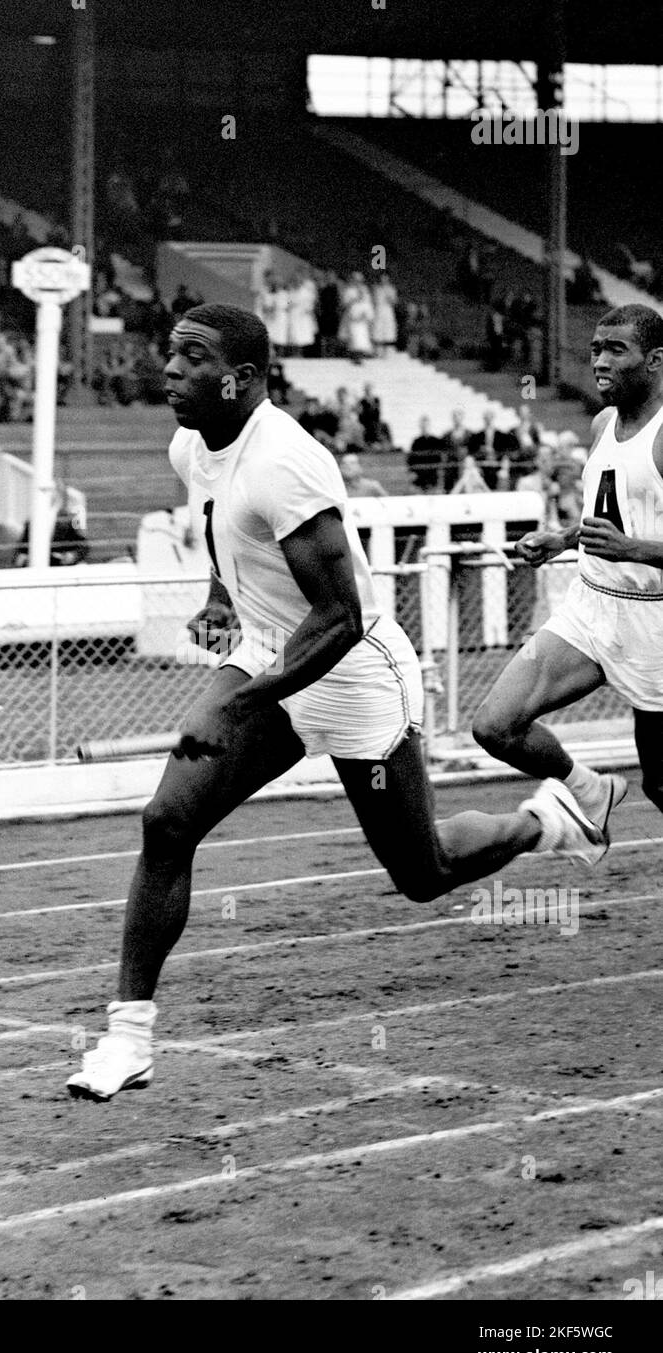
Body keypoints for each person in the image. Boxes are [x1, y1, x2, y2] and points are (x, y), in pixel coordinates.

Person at [66, 302, 605, 1102]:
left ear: (241, 378)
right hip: (268, 655)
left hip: (355, 675)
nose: (170, 370)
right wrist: (221, 599)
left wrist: (240, 704)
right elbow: (225, 527)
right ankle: (128, 1038)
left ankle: (548, 822)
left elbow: (342, 618)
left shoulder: (287, 460)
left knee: (424, 873)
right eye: (170, 354)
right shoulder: (192, 444)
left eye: (191, 357)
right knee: (166, 821)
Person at [473, 304, 663, 842]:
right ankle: (590, 791)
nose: (599, 361)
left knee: (661, 786)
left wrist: (634, 549)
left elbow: (629, 536)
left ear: (655, 360)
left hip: (655, 623)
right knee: (494, 726)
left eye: (616, 350)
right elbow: (615, 511)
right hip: (592, 606)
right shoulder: (604, 422)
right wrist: (562, 538)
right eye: (597, 348)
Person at [13, 482, 89, 566]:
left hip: (60, 566)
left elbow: (83, 545)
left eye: (50, 491)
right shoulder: (33, 520)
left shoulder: (72, 518)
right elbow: (21, 548)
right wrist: (20, 558)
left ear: (57, 495)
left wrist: (73, 556)